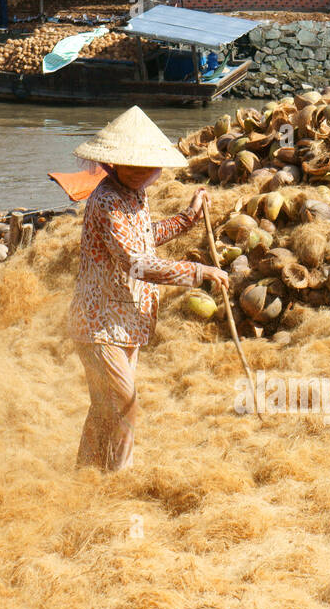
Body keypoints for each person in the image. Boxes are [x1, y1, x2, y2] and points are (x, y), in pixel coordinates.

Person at [66, 107, 227, 472]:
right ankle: (119, 480)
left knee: (105, 408)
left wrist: (188, 216)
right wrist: (197, 271)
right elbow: (134, 262)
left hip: (126, 320)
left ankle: (85, 476)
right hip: (99, 325)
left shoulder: (135, 196)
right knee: (126, 406)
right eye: (133, 166)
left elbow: (145, 239)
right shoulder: (106, 200)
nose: (142, 173)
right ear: (112, 165)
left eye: (147, 167)